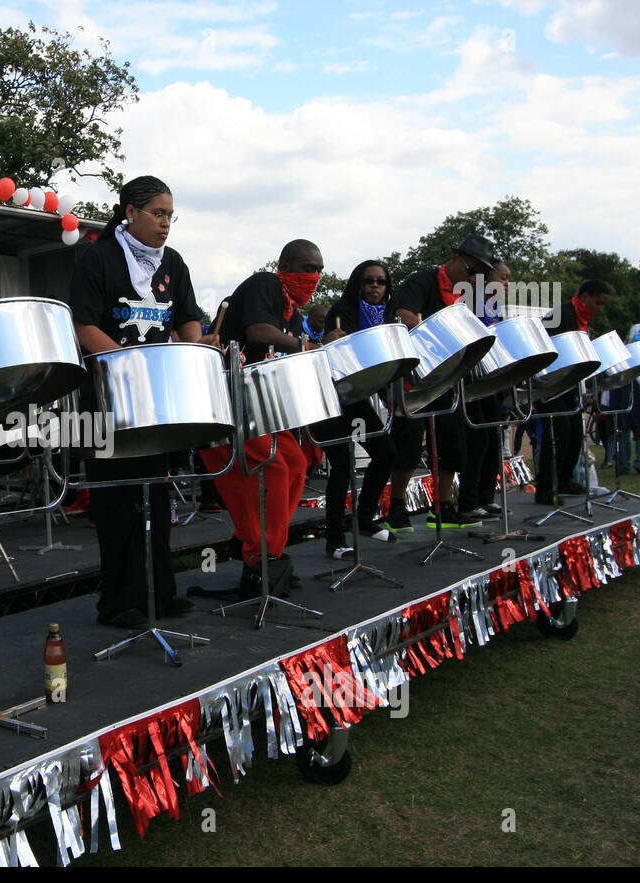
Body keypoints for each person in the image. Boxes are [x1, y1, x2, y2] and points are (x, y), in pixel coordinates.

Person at [70, 175, 202, 627]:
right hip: (107, 398)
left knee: (156, 499)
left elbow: (187, 319)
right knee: (117, 504)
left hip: (156, 398)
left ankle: (159, 593)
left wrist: (194, 350)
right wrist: (129, 367)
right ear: (130, 212)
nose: (166, 223)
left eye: (170, 216)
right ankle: (118, 602)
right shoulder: (98, 258)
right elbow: (84, 326)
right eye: (158, 214)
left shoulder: (173, 263)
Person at [202, 239, 324, 593]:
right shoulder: (265, 284)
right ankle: (261, 558)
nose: (314, 277)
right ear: (284, 266)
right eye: (307, 268)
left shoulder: (292, 312)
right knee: (271, 471)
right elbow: (258, 332)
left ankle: (264, 549)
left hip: (257, 403)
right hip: (228, 399)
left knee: (296, 464)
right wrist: (308, 346)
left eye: (319, 270)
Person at [391, 233, 499, 530]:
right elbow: (403, 313)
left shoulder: (467, 294)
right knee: (410, 444)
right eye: (471, 269)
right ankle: (396, 507)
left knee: (452, 441)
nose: (474, 277)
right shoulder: (422, 281)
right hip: (415, 377)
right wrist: (437, 337)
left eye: (480, 273)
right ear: (454, 258)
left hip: (446, 378)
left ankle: (442, 507)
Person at [318, 259, 399, 558]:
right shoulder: (342, 312)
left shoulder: (387, 316)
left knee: (386, 453)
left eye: (381, 281)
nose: (375, 286)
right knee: (342, 465)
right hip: (329, 396)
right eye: (369, 281)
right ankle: (335, 540)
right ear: (358, 284)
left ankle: (364, 518)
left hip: (354, 397)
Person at [534, 279, 613, 503]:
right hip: (550, 384)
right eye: (598, 303)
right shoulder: (562, 315)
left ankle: (564, 479)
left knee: (576, 433)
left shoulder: (582, 320)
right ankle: (545, 488)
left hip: (568, 383)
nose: (600, 309)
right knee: (557, 433)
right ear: (584, 296)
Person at [458, 260, 511, 518]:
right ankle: (468, 501)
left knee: (493, 436)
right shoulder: (469, 301)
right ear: (486, 278)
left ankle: (486, 496)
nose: (507, 283)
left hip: (491, 379)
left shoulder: (496, 308)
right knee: (478, 439)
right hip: (471, 379)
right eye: (503, 277)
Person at [602, 375, 640, 474]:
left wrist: (609, 416)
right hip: (637, 412)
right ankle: (639, 463)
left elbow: (605, 401)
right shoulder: (638, 374)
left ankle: (624, 466)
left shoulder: (611, 376)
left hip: (620, 413)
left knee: (623, 439)